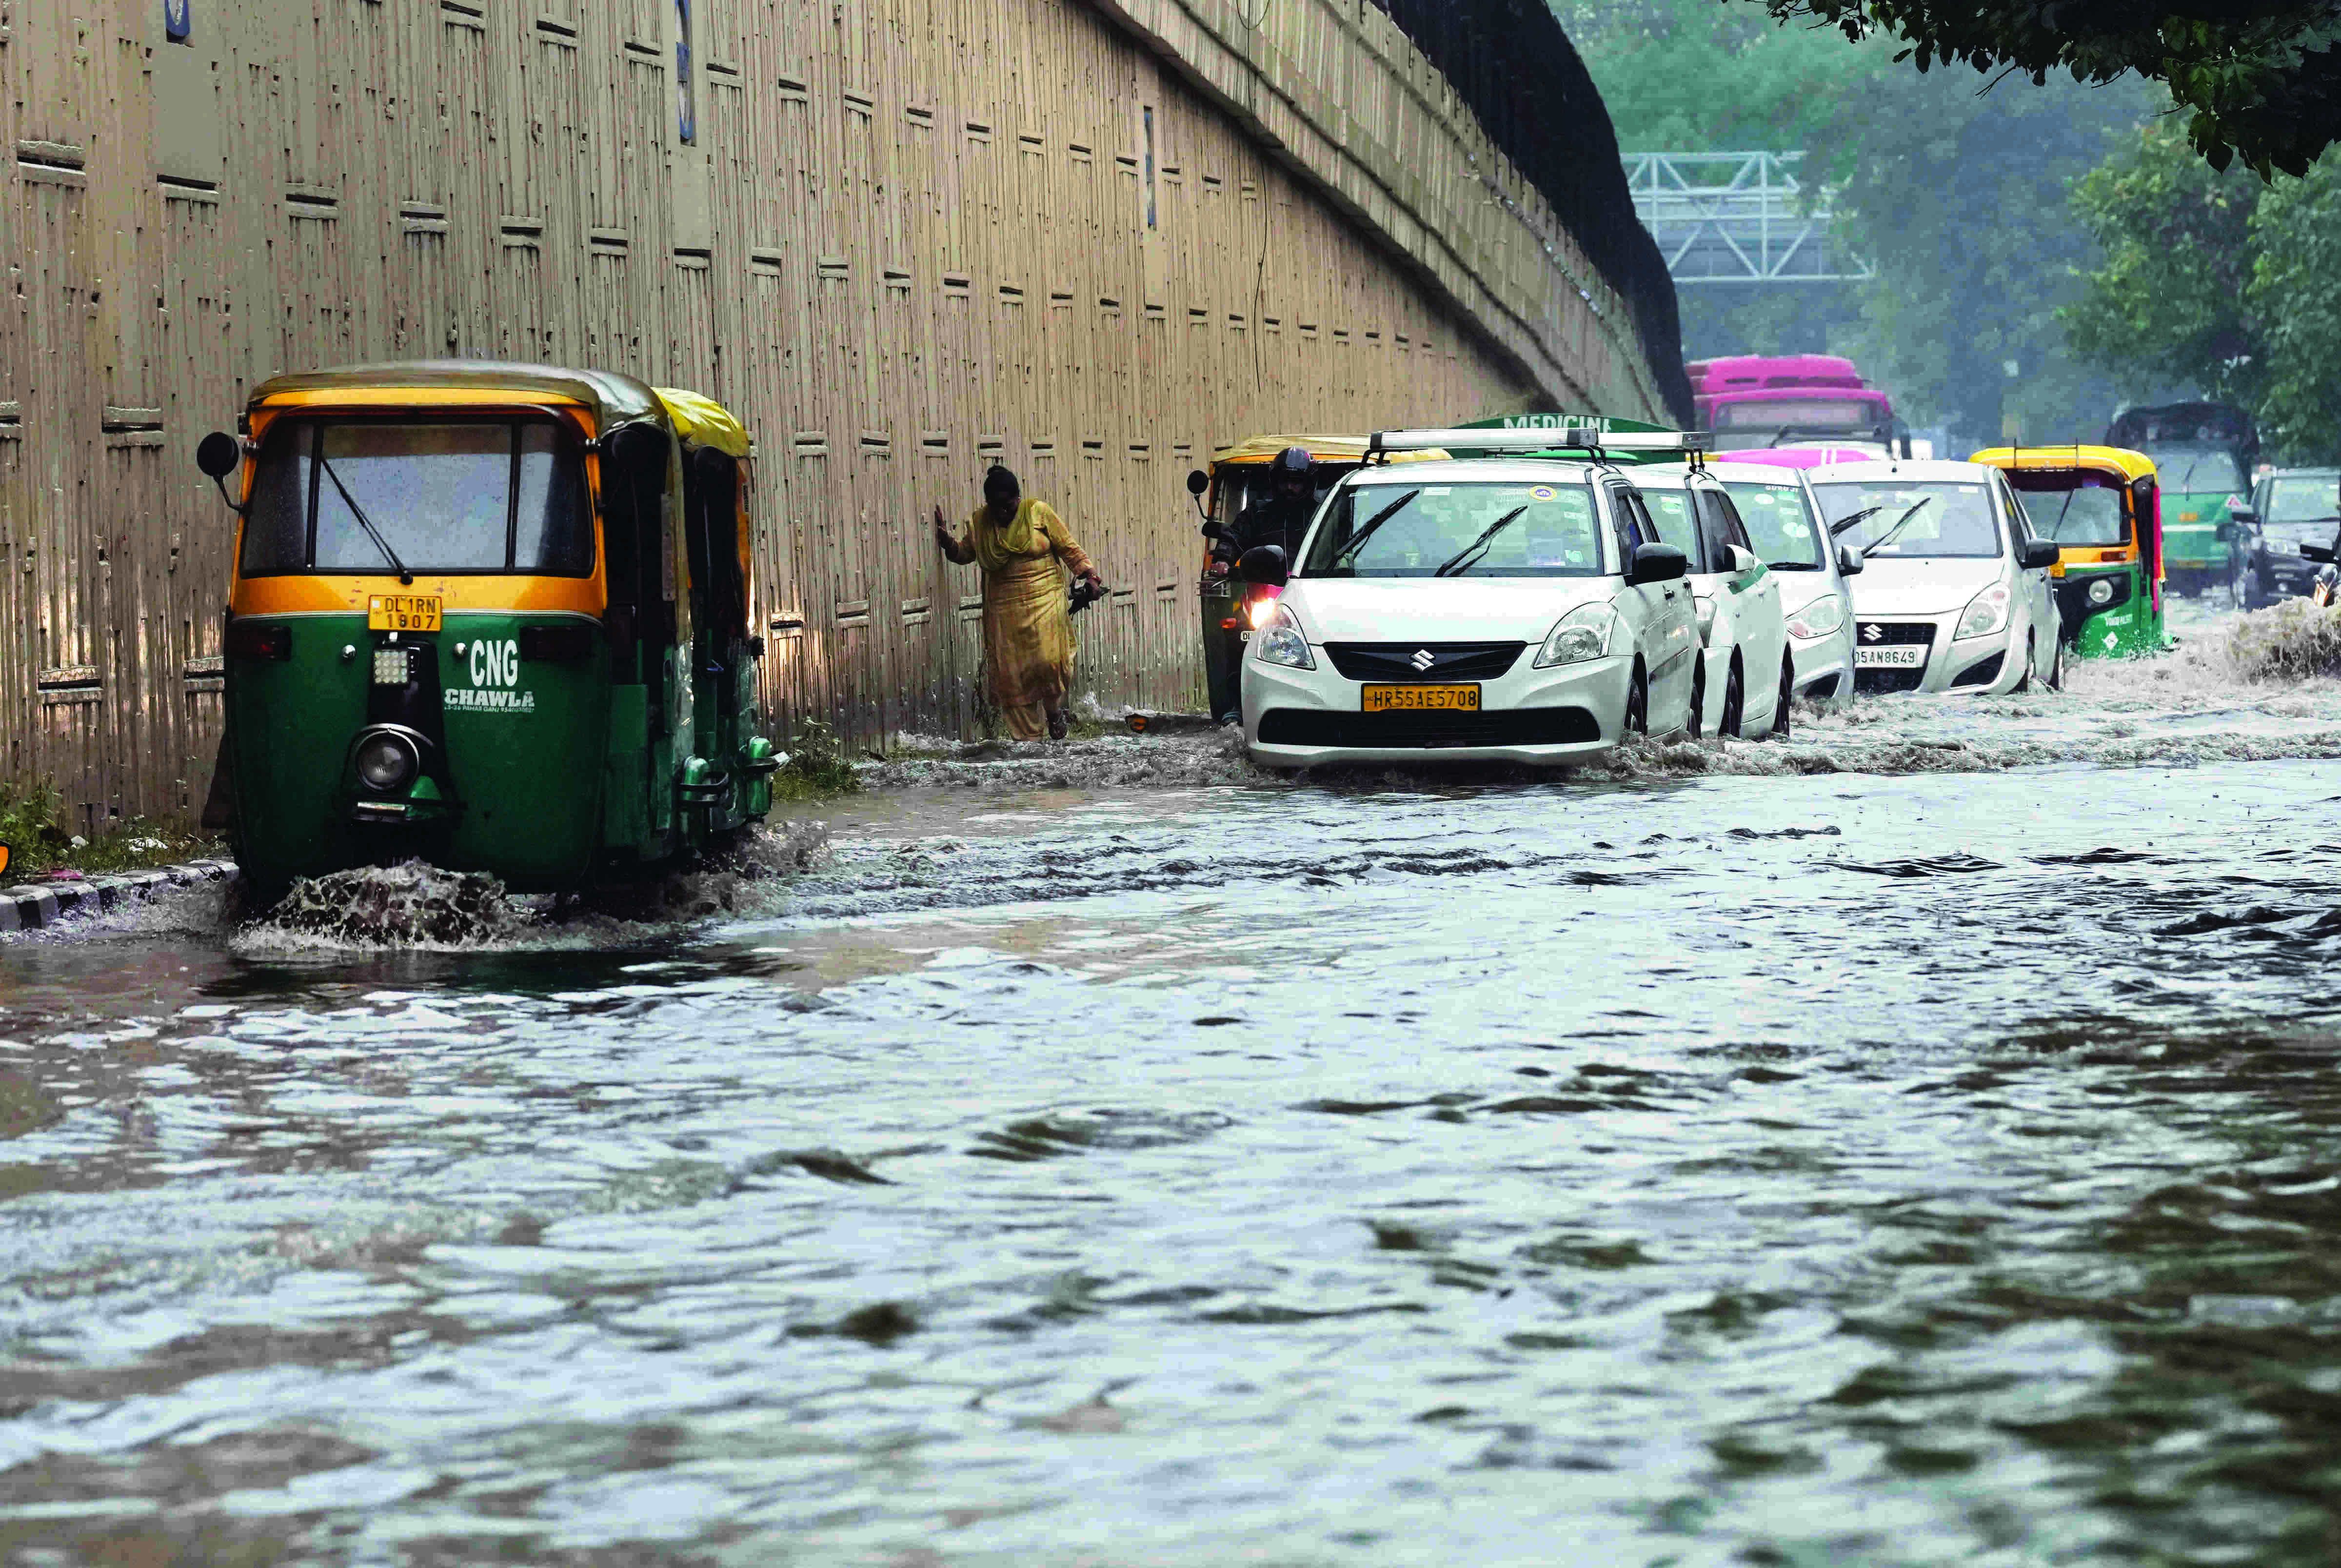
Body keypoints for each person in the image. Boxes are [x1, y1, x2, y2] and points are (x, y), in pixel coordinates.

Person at [933, 466, 1106, 741]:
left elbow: (1068, 547)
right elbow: (966, 553)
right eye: (997, 507)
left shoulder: (1038, 511)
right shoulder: (981, 522)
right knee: (1012, 676)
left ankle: (1052, 710)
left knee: (1050, 661)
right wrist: (948, 544)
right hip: (1004, 609)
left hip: (1045, 600)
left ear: (1019, 498)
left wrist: (1089, 576)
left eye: (1009, 506)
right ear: (988, 505)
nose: (1004, 513)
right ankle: (1029, 745)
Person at [1211, 445, 1317, 570]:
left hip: (1313, 585)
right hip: (1263, 586)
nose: (1289, 487)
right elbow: (1235, 537)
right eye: (1284, 481)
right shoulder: (1257, 513)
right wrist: (1223, 559)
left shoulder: (1323, 514)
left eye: (1296, 482)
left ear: (1308, 483)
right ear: (1275, 482)